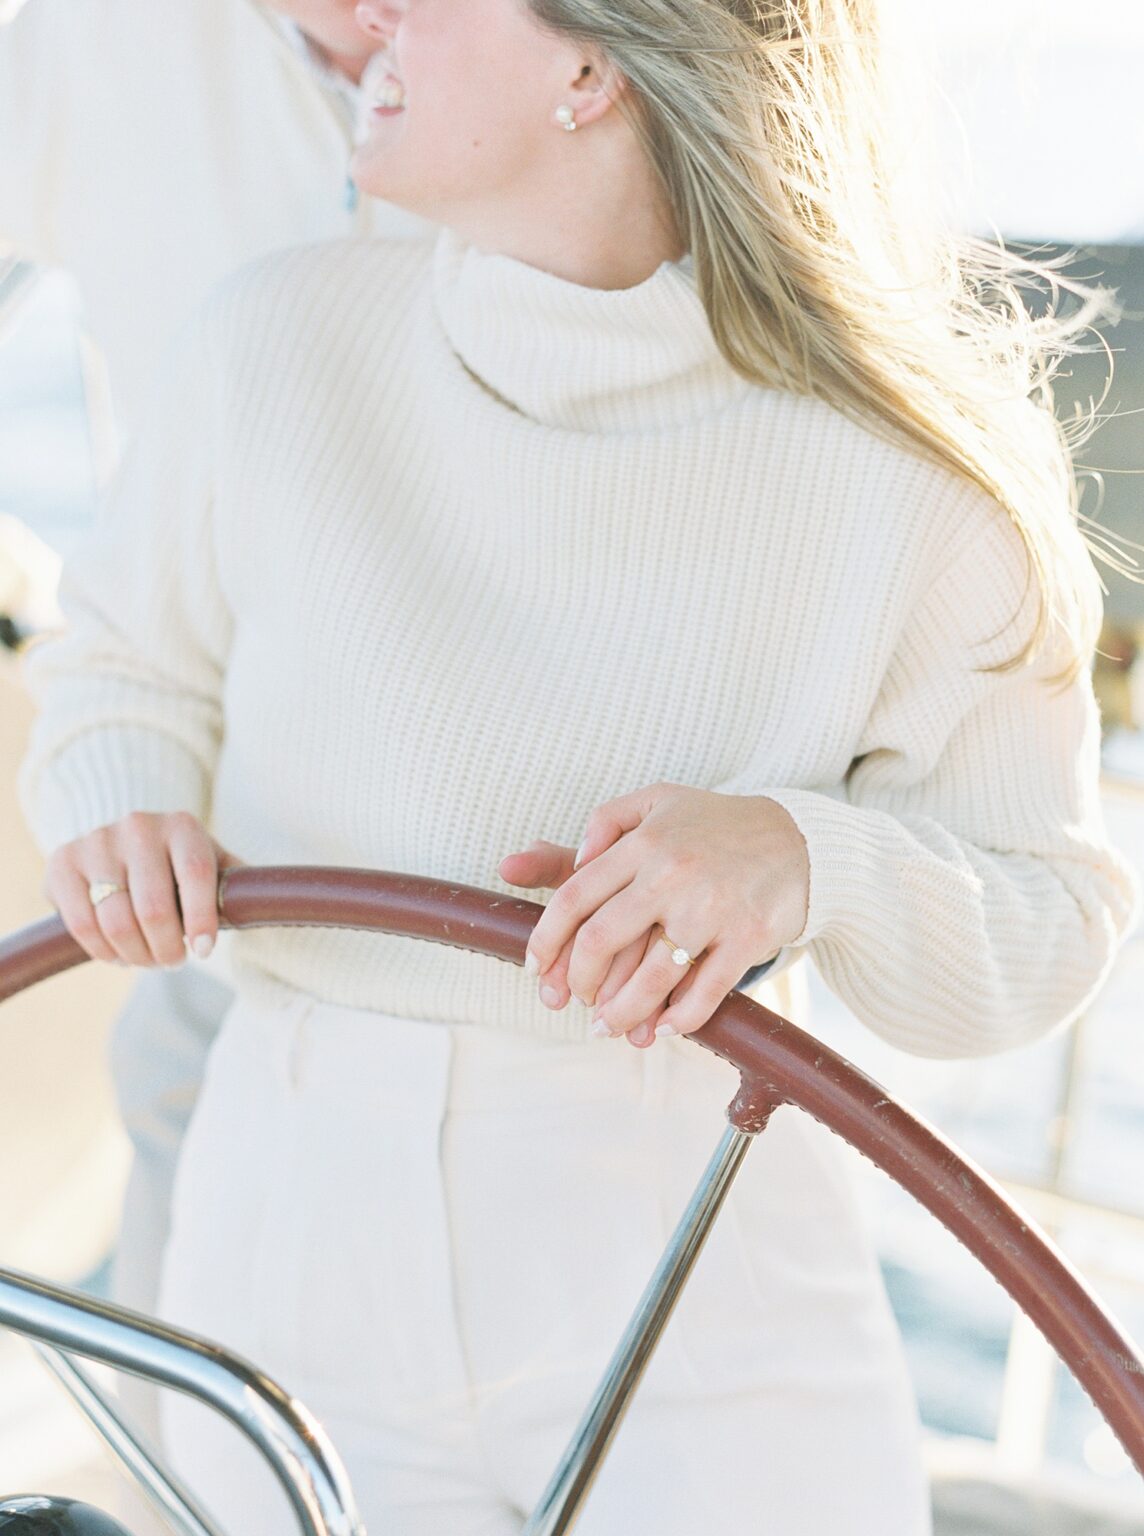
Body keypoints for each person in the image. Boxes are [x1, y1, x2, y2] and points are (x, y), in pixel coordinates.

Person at [19, 0, 1137, 1529]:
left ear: (594, 63)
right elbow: (120, 669)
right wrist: (120, 797)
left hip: (694, 1266)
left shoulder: (915, 484)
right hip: (284, 1237)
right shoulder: (266, 344)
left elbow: (1047, 921)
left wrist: (805, 858)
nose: (374, 15)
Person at [0, 0, 426, 1337]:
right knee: (185, 1363)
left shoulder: (635, 41)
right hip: (205, 851)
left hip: (563, 871)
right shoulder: (85, 36)